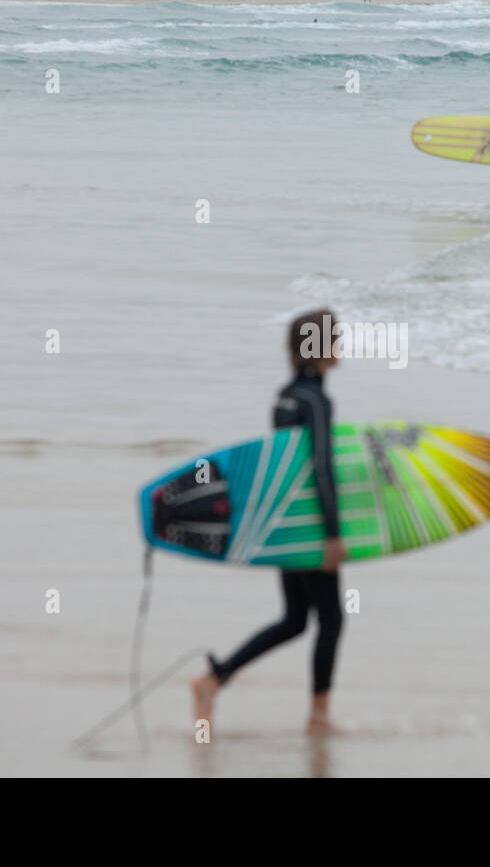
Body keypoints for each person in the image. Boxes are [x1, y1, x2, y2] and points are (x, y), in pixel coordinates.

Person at [191, 309, 349, 735]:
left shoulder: (284, 397)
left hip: (287, 524)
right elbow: (320, 467)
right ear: (318, 350)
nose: (340, 346)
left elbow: (282, 469)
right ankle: (318, 717)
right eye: (335, 339)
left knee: (297, 619)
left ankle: (213, 680)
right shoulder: (317, 401)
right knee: (331, 619)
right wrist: (333, 535)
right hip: (312, 527)